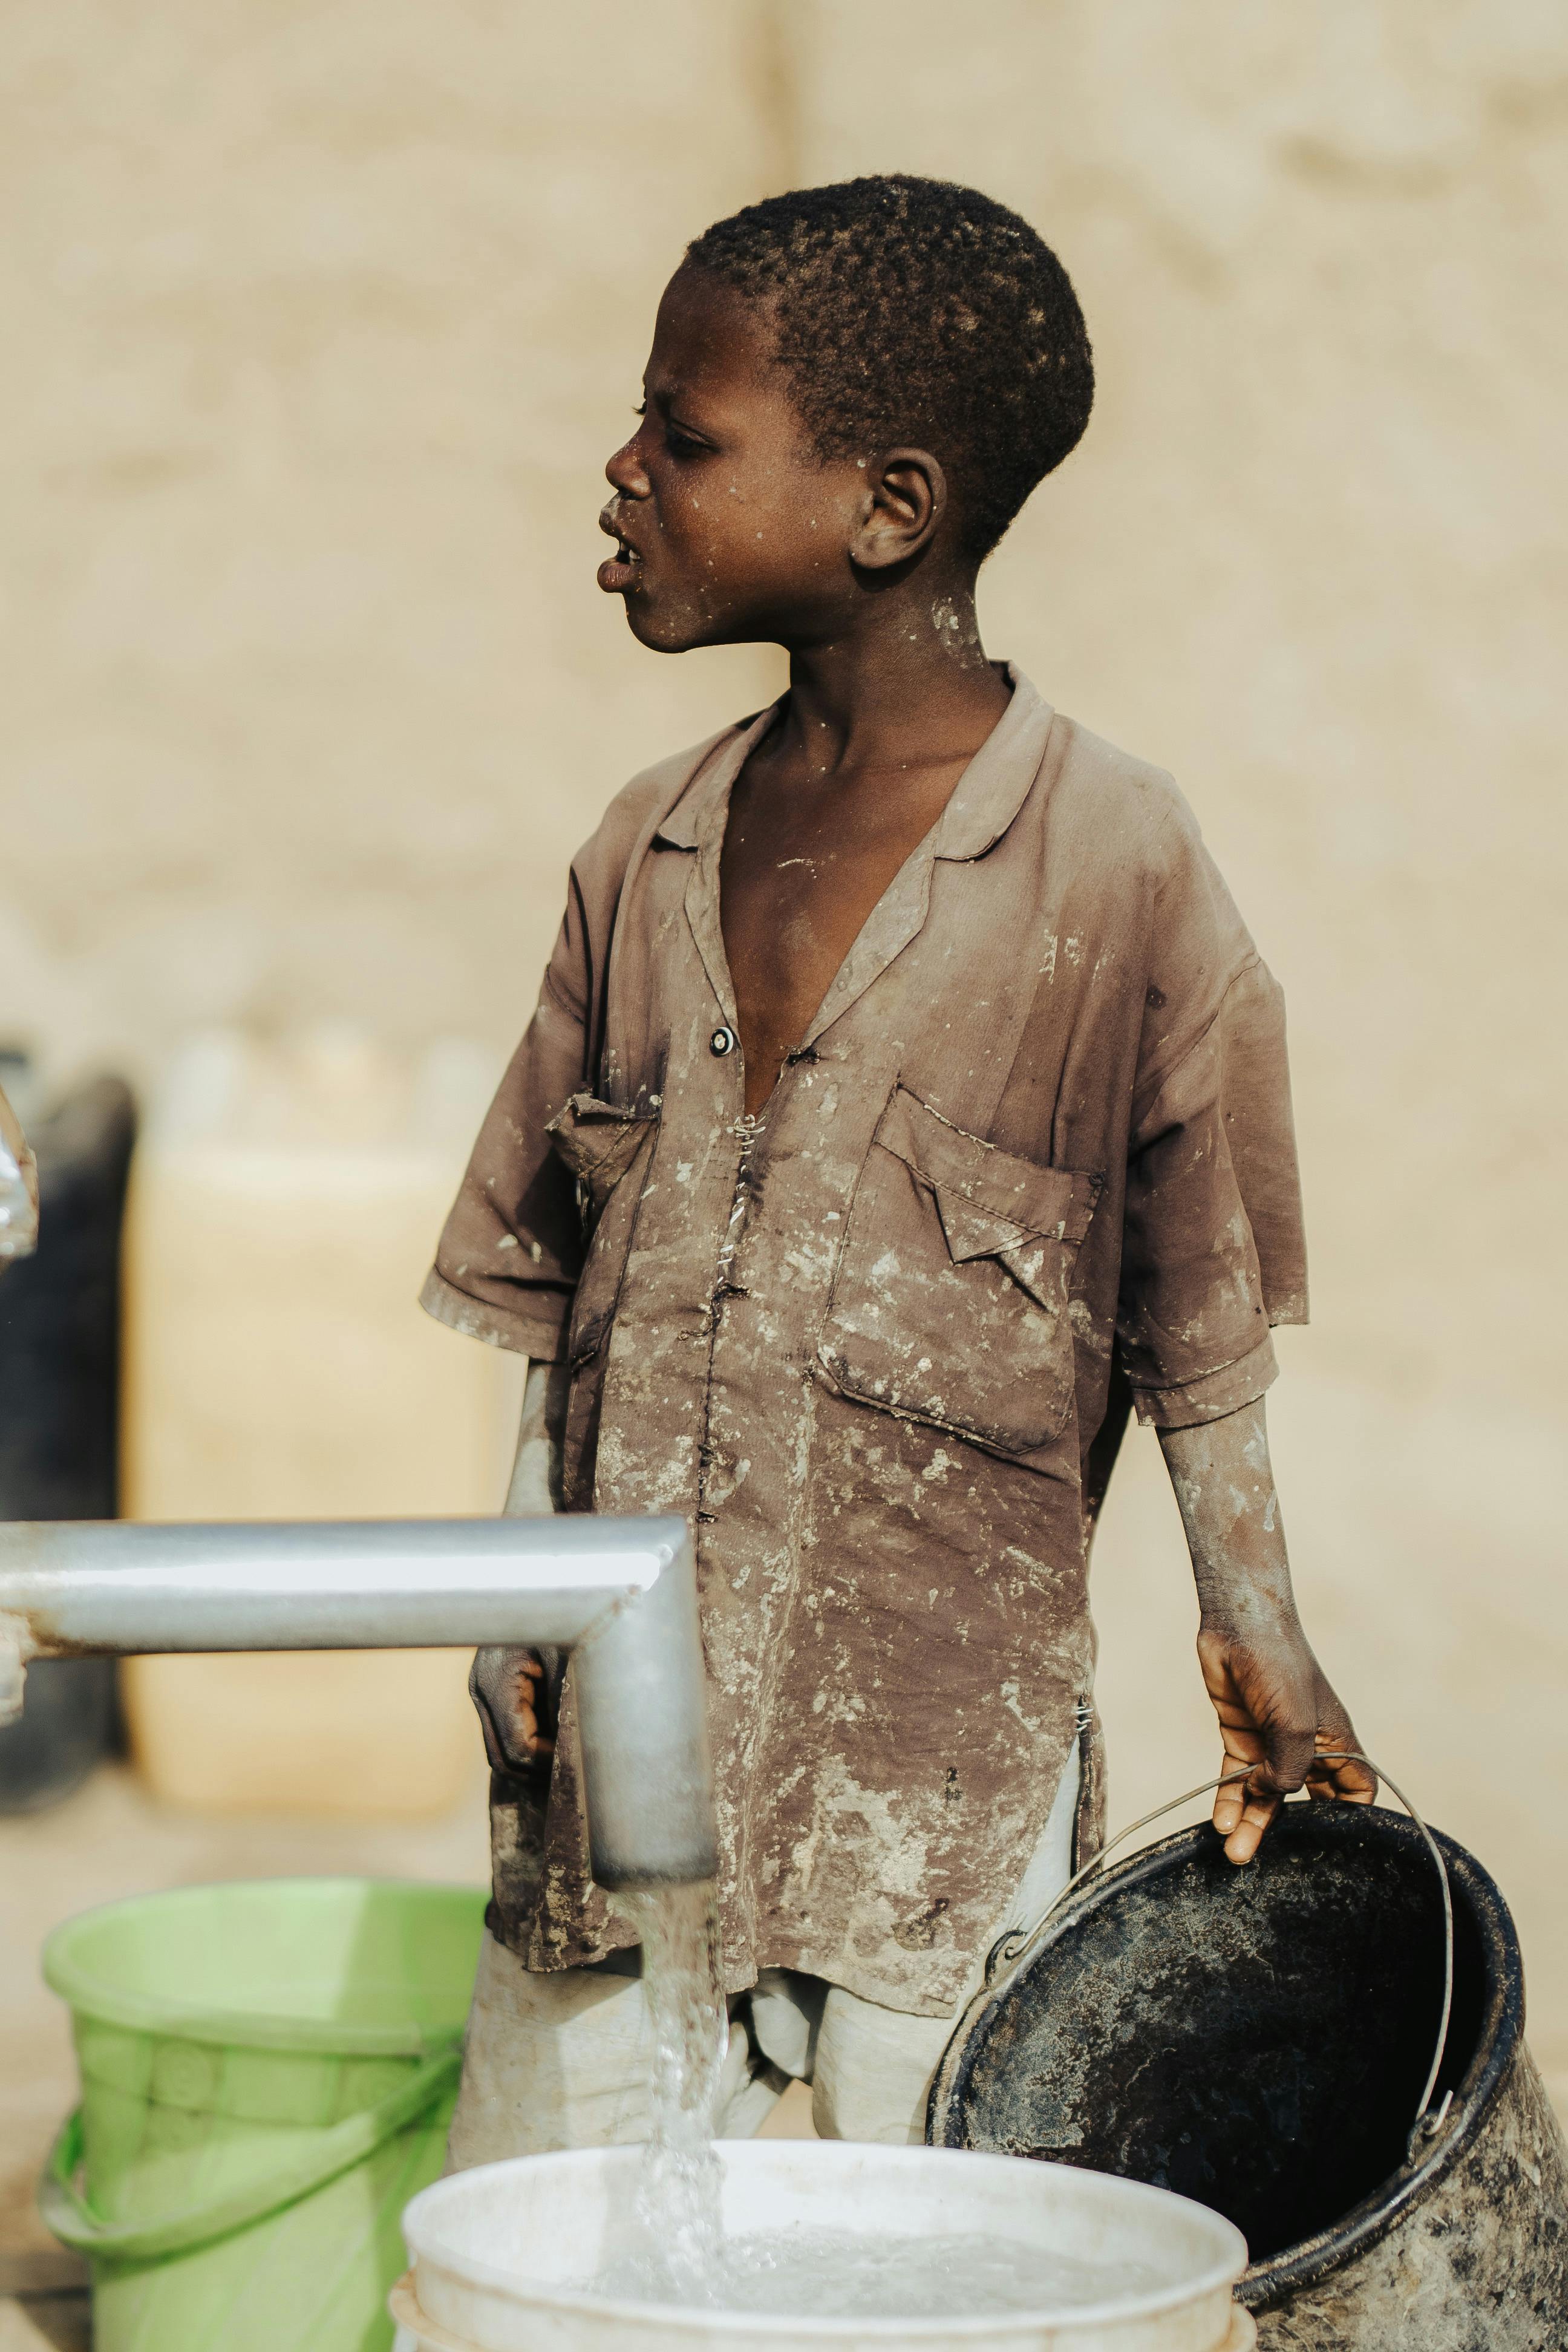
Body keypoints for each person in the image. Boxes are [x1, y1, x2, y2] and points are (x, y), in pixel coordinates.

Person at [422, 174, 1376, 2161]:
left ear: (890, 510)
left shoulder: (1115, 868)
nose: (624, 472)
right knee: (552, 2256)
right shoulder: (645, 849)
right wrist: (516, 1583)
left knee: (943, 2263)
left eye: (685, 439)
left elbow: (1198, 1317)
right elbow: (546, 1292)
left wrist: (1255, 1629)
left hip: (932, 1771)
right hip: (620, 1751)